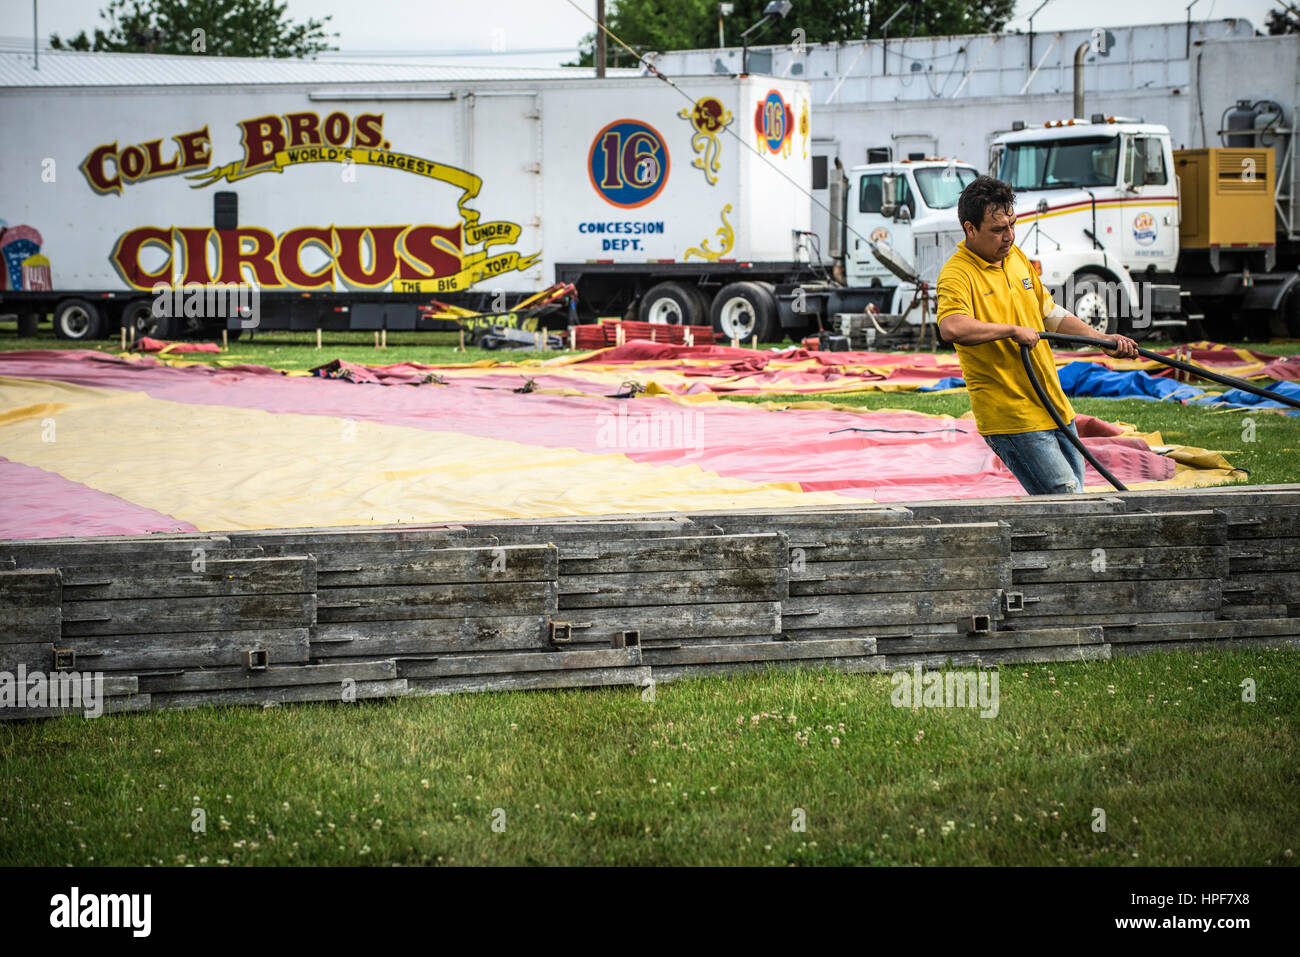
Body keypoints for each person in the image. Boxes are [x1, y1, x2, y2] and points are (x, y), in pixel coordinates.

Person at [936, 175, 1139, 495]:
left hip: (1054, 406)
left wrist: (1101, 340)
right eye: (998, 230)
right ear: (969, 229)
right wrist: (1011, 331)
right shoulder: (957, 274)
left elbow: (1050, 313)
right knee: (1065, 497)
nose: (1009, 237)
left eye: (1012, 225)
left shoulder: (1016, 259)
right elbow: (952, 327)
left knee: (1072, 501)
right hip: (1012, 418)